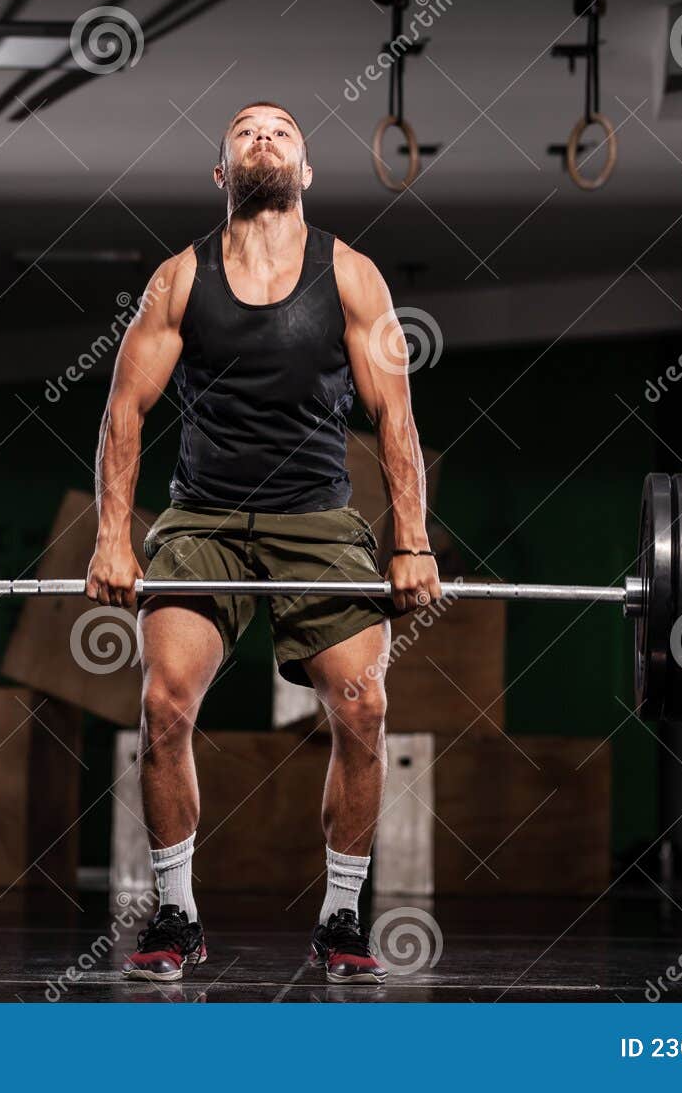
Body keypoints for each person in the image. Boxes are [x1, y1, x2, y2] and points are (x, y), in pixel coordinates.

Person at [87, 102, 439, 985]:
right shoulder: (179, 277)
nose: (264, 138)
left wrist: (412, 540)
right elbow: (124, 411)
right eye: (246, 131)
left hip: (317, 519)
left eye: (281, 131)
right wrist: (112, 537)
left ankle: (341, 918)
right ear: (223, 173)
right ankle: (177, 914)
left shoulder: (351, 274)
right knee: (163, 702)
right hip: (202, 517)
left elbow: (394, 413)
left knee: (363, 706)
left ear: (305, 171)